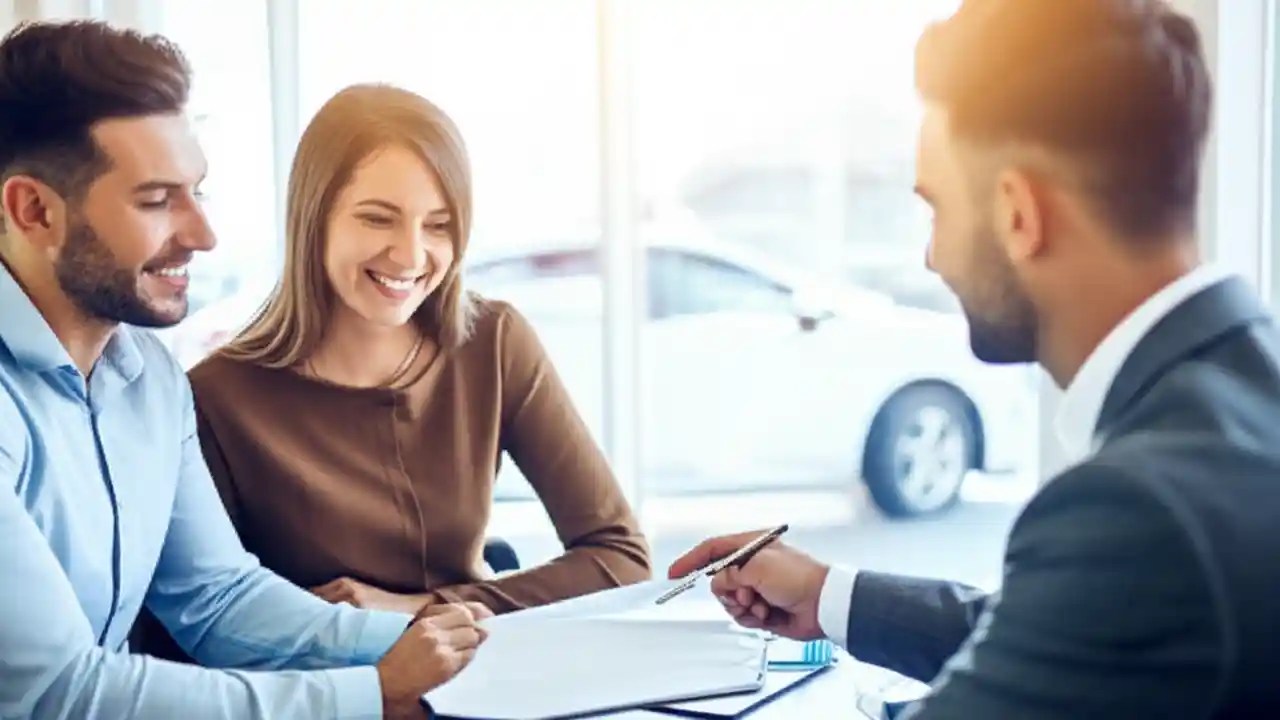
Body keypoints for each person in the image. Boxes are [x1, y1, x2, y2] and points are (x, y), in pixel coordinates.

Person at [670, 1, 1280, 717]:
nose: (932, 256)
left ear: (1018, 215)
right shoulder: (1245, 400)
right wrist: (830, 595)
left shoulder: (1142, 509)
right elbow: (1078, 638)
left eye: (937, 209)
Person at [0, 20, 486, 720]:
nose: (202, 234)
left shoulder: (149, 380)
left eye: (197, 191)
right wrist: (369, 694)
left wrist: (424, 642)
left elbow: (216, 597)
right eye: (156, 199)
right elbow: (59, 693)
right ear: (35, 210)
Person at [182, 83, 649, 619]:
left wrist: (419, 608)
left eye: (439, 225)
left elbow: (621, 559)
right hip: (338, 692)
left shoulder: (493, 342)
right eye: (377, 218)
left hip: (485, 675)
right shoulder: (217, 400)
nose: (410, 254)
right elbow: (204, 623)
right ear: (314, 218)